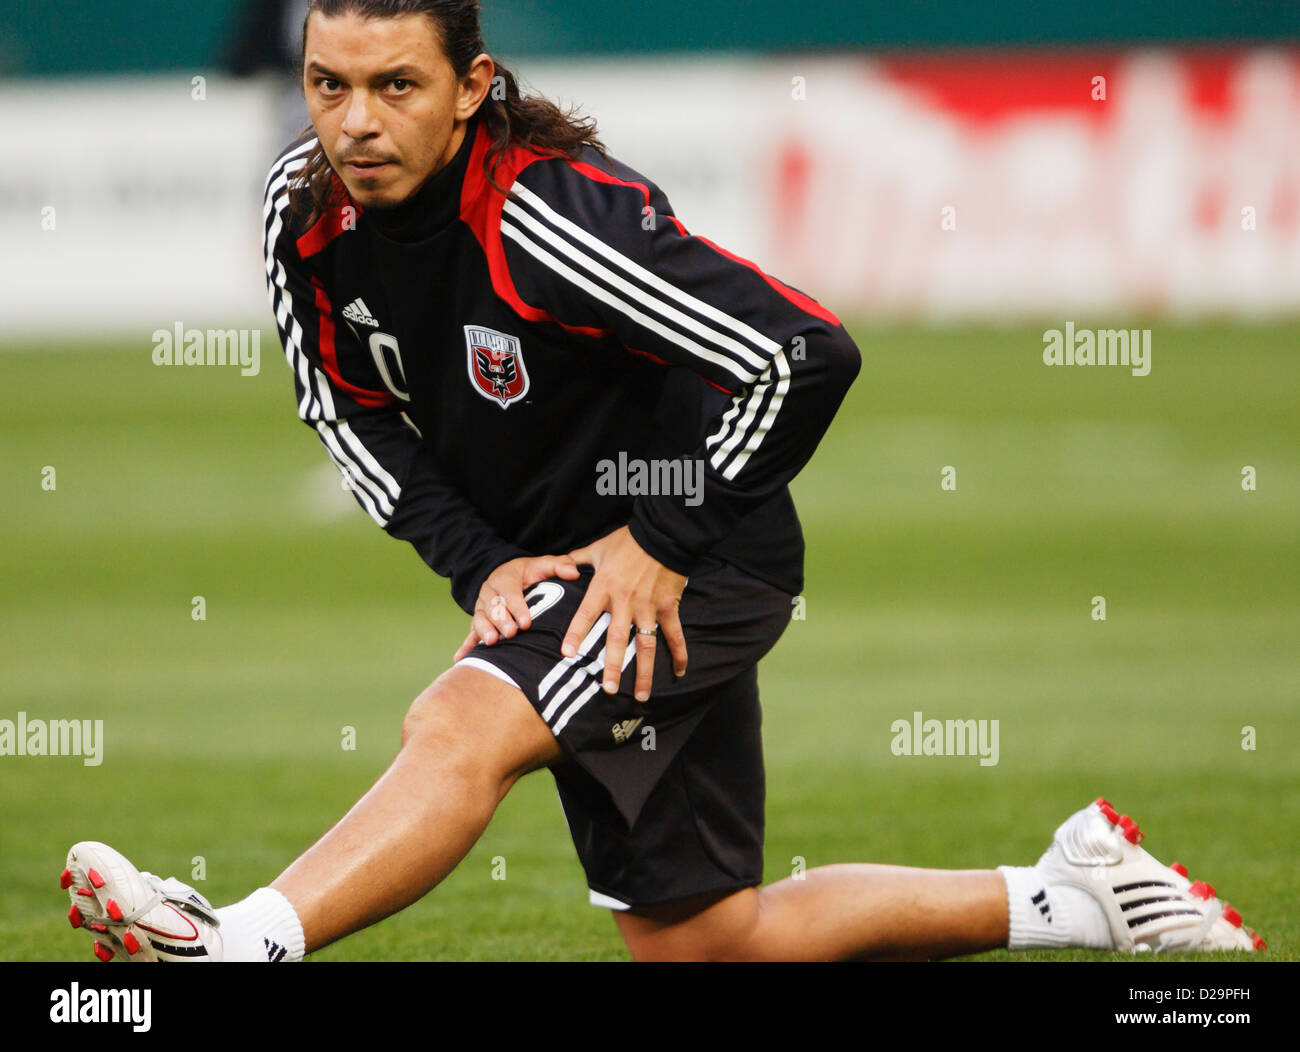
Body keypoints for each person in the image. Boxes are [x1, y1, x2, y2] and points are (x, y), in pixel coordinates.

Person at [60, 0, 1262, 962]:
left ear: (472, 88)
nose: (356, 120)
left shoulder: (548, 214)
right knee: (706, 940)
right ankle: (1076, 899)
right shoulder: (300, 205)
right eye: (331, 85)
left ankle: (240, 943)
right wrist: (478, 563)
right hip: (568, 569)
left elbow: (802, 351)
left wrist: (664, 542)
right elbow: (344, 405)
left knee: (460, 721)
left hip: (697, 567)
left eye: (396, 86)